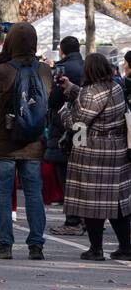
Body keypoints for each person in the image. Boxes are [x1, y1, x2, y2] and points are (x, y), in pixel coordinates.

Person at [0, 22, 51, 261]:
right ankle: (36, 245)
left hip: (4, 140)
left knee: (3, 193)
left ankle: (5, 245)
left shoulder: (3, 70)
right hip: (33, 141)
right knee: (34, 194)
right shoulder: (44, 71)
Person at [58, 52, 131, 260]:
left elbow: (77, 124)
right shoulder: (116, 87)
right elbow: (96, 105)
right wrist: (73, 89)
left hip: (94, 150)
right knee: (117, 201)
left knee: (91, 202)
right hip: (117, 149)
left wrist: (63, 109)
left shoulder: (90, 93)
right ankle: (126, 247)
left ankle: (96, 249)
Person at [47, 35, 86, 236]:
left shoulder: (63, 69)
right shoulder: (87, 66)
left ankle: (73, 220)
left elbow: (54, 100)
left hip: (65, 127)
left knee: (66, 175)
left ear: (62, 49)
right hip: (85, 127)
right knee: (82, 175)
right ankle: (87, 219)